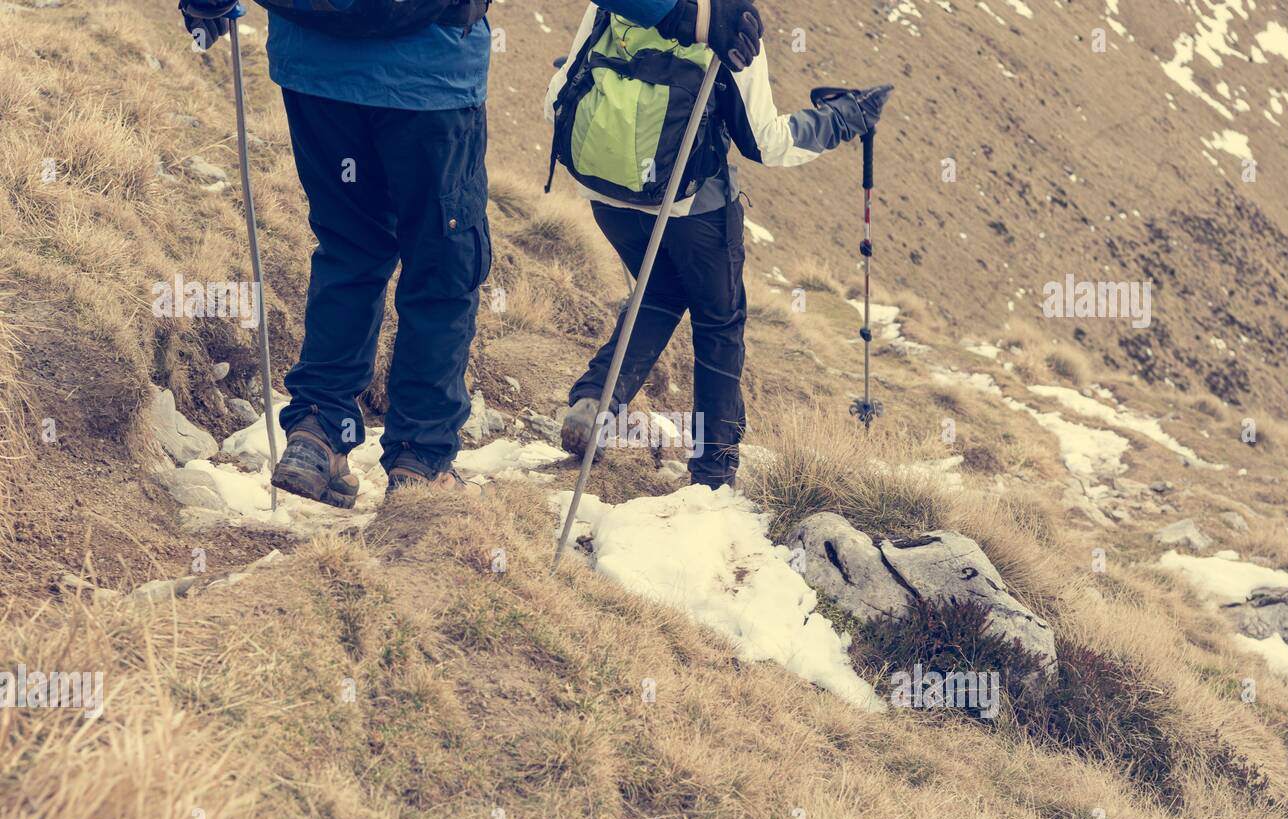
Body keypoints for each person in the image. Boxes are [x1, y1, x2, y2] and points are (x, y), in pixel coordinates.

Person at [178, 0, 764, 507]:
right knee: (443, 268)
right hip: (428, 82)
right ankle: (420, 461)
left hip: (312, 70)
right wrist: (686, 13)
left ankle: (317, 430)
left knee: (349, 247)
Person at [545, 5, 889, 488]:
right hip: (693, 206)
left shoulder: (613, 4)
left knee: (659, 293)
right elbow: (766, 142)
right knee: (718, 323)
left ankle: (596, 402)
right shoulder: (731, 17)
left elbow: (556, 98)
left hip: (606, 190)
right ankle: (712, 470)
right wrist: (843, 117)